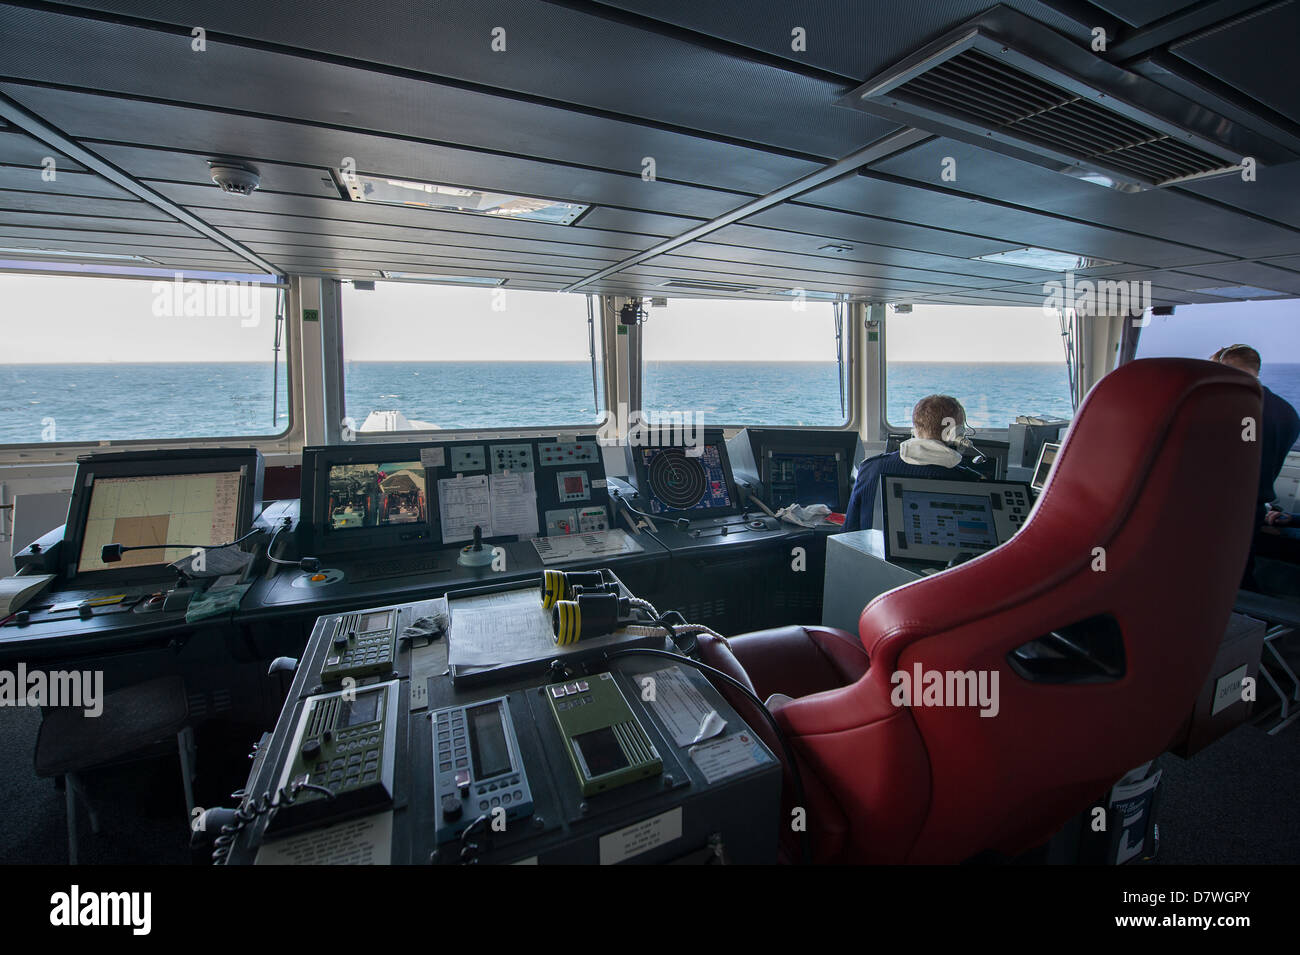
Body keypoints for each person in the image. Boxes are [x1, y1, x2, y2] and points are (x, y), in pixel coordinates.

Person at [1211, 344, 1300, 588]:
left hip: (1221, 507)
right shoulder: (1288, 412)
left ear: (1226, 367)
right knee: (1239, 569)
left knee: (1215, 573)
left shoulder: (1234, 407)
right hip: (1254, 509)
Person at [843, 394, 982, 532]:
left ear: (916, 428)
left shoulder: (870, 468)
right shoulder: (968, 480)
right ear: (954, 433)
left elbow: (849, 530)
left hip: (873, 547)